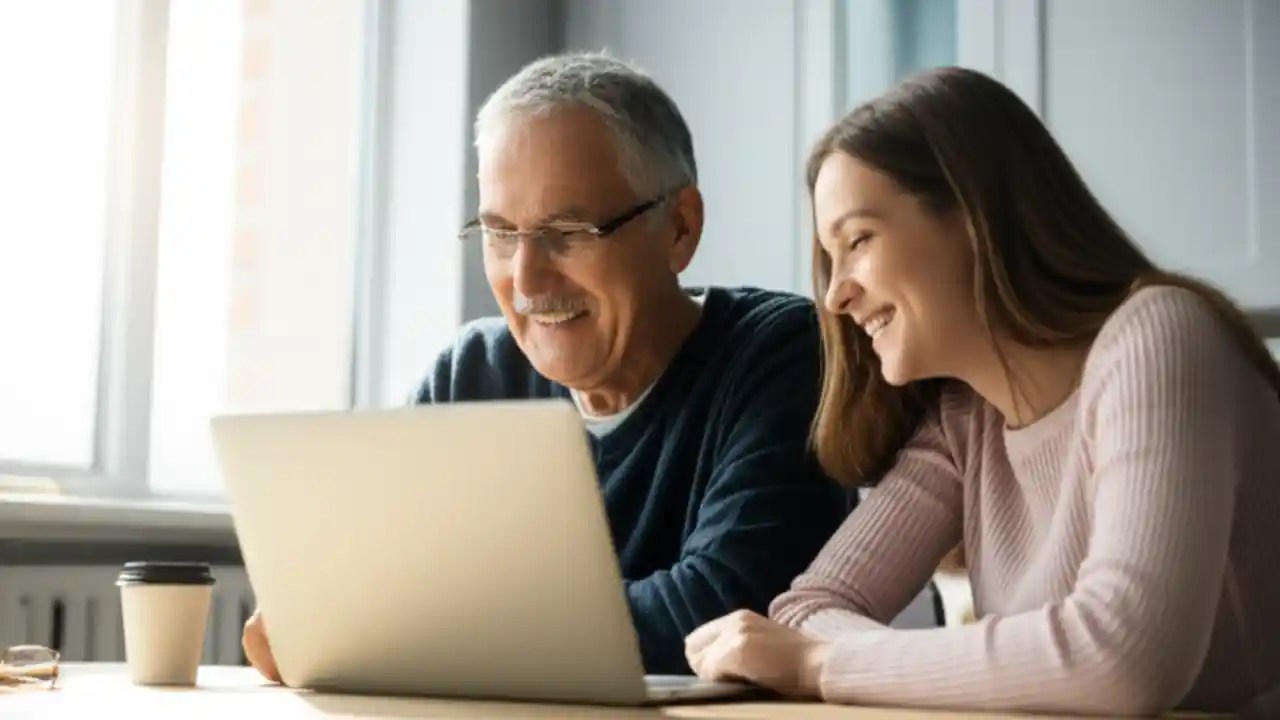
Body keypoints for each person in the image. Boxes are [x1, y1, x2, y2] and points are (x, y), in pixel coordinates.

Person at [685, 66, 1280, 715]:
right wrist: (814, 652)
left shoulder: (1161, 335)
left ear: (975, 216)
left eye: (858, 240)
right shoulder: (966, 419)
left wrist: (821, 663)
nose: (835, 294)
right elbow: (808, 608)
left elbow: (1122, 657)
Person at [242, 53, 849, 680]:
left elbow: (722, 613)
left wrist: (423, 627)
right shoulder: (473, 376)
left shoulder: (783, 353)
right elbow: (346, 598)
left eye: (569, 230)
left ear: (680, 228)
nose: (525, 278)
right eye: (500, 233)